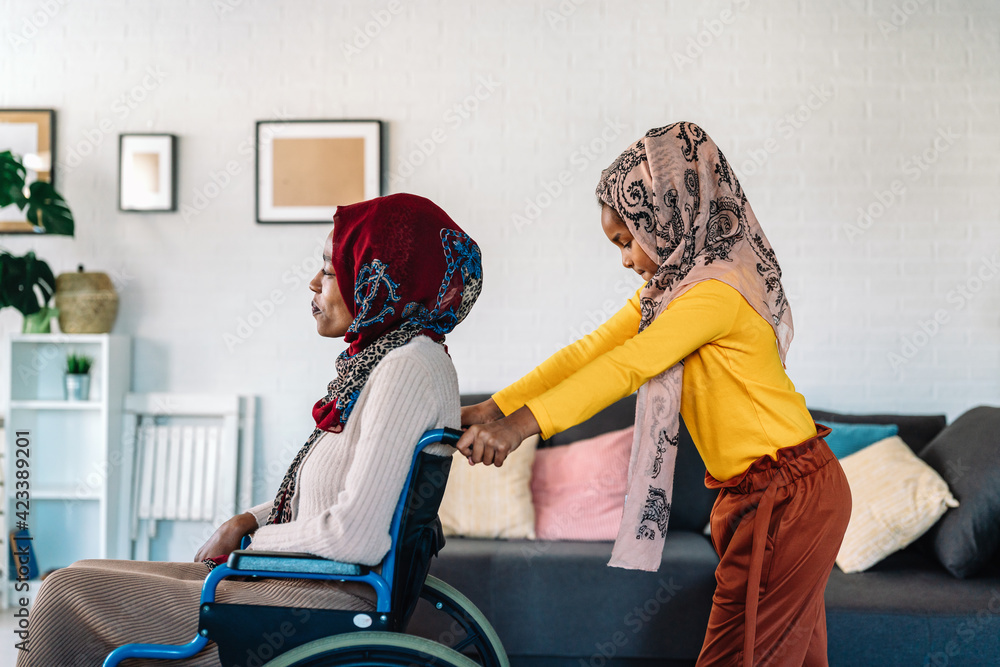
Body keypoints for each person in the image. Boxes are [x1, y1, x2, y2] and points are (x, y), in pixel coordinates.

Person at [18, 193, 483, 667]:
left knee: (62, 594)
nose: (313, 282)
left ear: (377, 274)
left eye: (329, 268)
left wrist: (252, 541)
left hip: (316, 602)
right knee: (79, 571)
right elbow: (335, 498)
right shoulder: (390, 360)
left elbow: (353, 539)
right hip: (297, 581)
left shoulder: (407, 368)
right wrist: (246, 521)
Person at [458, 122, 851, 666]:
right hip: (758, 492)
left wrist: (520, 428)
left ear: (666, 217)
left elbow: (628, 365)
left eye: (626, 241)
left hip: (788, 494)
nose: (625, 260)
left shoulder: (715, 292)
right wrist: (492, 407)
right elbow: (590, 351)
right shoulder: (672, 292)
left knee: (737, 656)